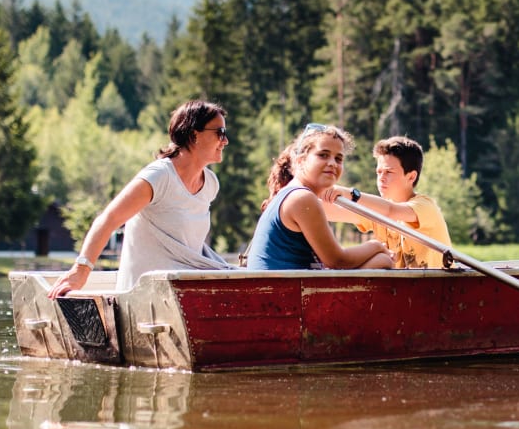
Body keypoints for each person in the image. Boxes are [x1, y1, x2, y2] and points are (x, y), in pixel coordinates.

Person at [48, 100, 233, 297]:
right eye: (220, 132)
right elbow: (109, 219)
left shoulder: (211, 184)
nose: (225, 140)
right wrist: (80, 271)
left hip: (185, 289)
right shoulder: (159, 176)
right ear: (194, 135)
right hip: (144, 294)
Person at [247, 123, 394, 270]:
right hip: (279, 289)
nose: (332, 163)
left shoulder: (293, 193)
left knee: (381, 260)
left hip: (286, 286)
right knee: (382, 261)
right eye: (323, 155)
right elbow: (337, 260)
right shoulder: (302, 198)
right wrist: (375, 246)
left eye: (338, 158)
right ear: (301, 160)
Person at [320, 136, 452, 269]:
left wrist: (350, 193)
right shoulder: (378, 209)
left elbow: (391, 210)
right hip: (403, 286)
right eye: (379, 172)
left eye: (389, 172)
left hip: (437, 286)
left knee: (378, 257)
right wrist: (305, 191)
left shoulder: (425, 206)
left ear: (411, 177)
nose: (381, 178)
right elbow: (329, 212)